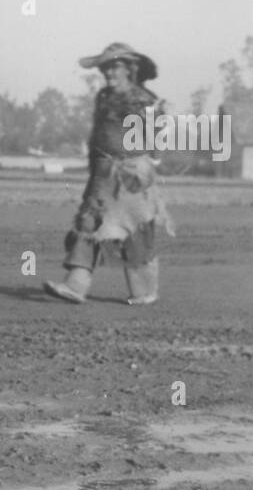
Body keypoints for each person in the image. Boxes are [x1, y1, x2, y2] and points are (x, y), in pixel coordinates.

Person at [43, 41, 166, 306]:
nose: (108, 73)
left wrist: (148, 168)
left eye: (114, 67)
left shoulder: (144, 100)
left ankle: (144, 292)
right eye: (106, 68)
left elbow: (155, 141)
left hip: (132, 176)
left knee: (135, 231)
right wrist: (93, 173)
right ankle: (75, 286)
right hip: (103, 173)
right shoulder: (103, 98)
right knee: (89, 223)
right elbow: (97, 136)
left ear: (129, 69)